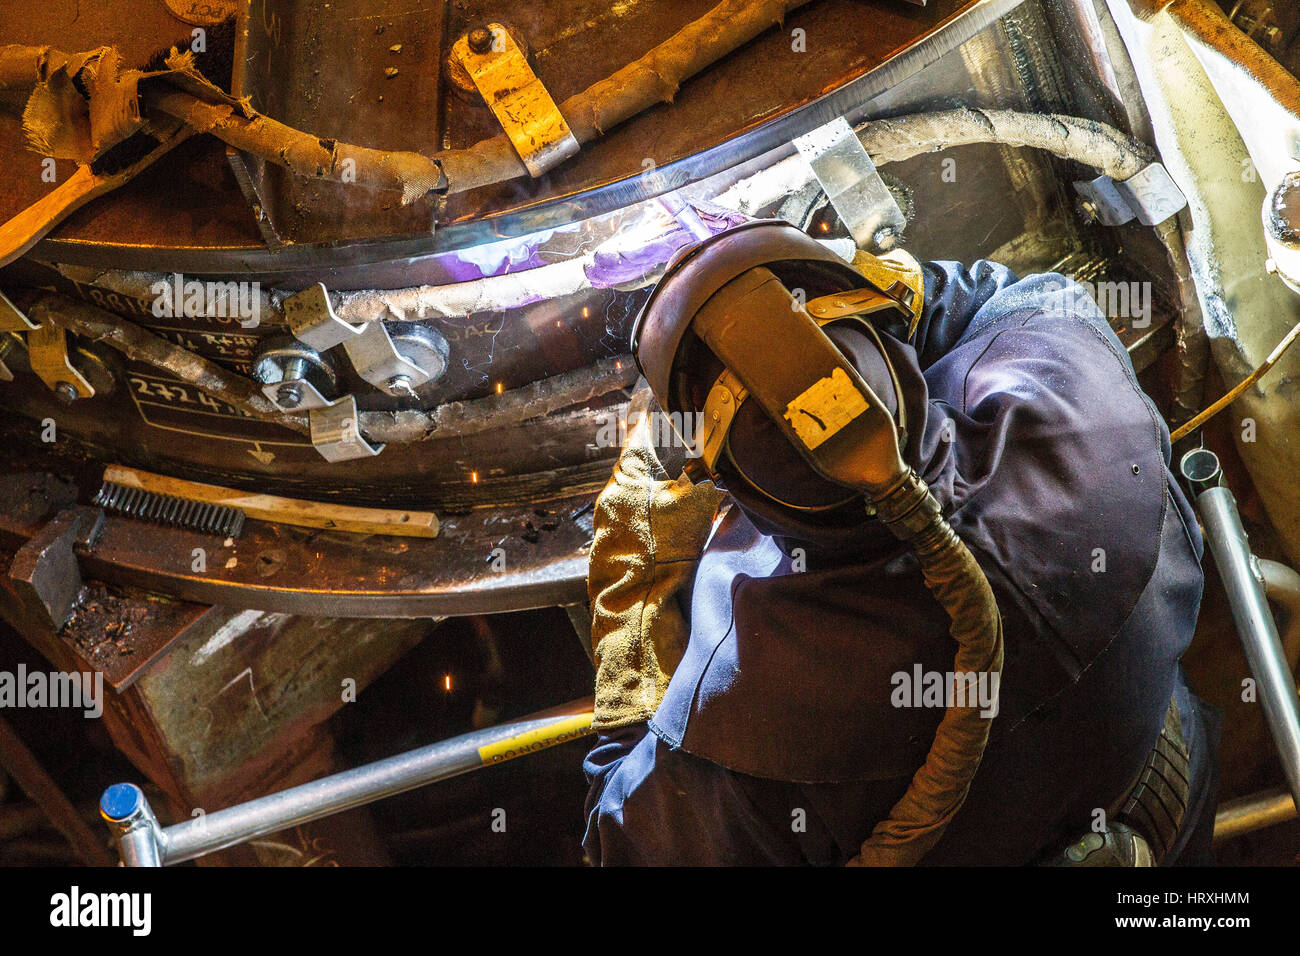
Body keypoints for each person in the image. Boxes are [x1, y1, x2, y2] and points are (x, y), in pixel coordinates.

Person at [581, 220, 1219, 866]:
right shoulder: (1072, 392)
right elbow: (997, 299)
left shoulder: (736, 731)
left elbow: (620, 840)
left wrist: (635, 585)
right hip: (1172, 802)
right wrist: (886, 290)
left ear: (731, 494)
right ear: (891, 352)